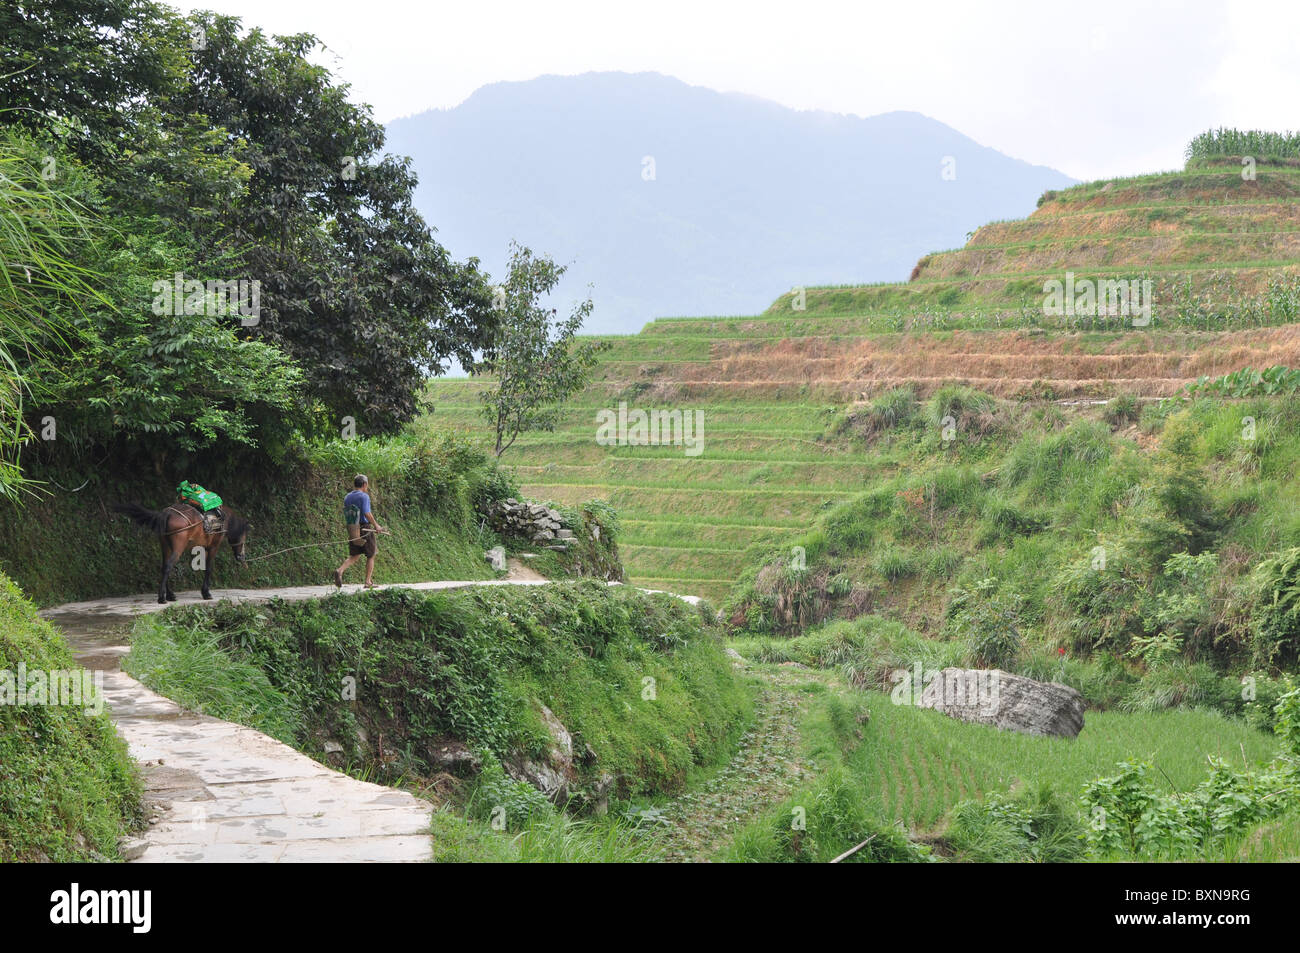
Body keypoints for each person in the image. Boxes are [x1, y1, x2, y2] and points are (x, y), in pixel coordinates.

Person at [334, 474, 384, 589]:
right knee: (371, 554)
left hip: (353, 528)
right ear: (365, 484)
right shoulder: (364, 496)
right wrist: (376, 525)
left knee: (355, 555)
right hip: (364, 528)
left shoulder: (347, 497)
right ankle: (367, 582)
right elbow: (367, 513)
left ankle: (340, 570)